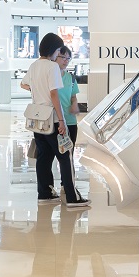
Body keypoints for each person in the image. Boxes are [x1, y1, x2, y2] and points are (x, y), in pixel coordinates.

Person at [23, 34, 85, 205]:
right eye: (58, 50)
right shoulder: (52, 67)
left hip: (38, 119)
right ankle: (72, 197)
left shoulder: (34, 65)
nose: (59, 53)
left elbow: (25, 84)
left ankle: (45, 194)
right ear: (52, 49)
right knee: (65, 156)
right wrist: (62, 120)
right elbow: (54, 94)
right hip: (53, 119)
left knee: (43, 157)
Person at [53, 45, 88, 204]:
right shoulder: (50, 76)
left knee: (68, 155)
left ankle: (65, 185)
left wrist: (74, 105)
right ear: (55, 57)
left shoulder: (70, 78)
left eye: (68, 58)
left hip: (70, 121)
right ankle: (61, 190)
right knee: (57, 156)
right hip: (54, 120)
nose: (66, 61)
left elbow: (73, 96)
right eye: (63, 57)